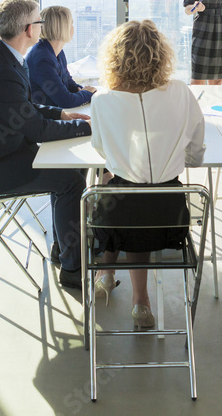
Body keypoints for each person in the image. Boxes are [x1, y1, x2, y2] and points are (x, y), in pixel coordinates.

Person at [0, 0, 92, 289]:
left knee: (73, 170)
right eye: (39, 22)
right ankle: (72, 270)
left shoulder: (6, 58)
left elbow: (26, 110)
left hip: (0, 152)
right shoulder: (3, 72)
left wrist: (62, 113)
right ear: (29, 30)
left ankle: (63, 249)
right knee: (71, 182)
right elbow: (38, 130)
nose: (42, 28)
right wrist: (84, 128)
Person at [88, 20, 205, 329]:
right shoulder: (180, 92)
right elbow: (195, 146)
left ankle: (106, 273)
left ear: (115, 57)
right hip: (170, 218)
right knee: (133, 201)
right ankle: (140, 301)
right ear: (160, 55)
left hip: (120, 218)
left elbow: (102, 150)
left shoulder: (101, 100)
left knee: (116, 193)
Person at [26, 5, 96, 109]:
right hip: (45, 118)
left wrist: (79, 90)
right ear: (63, 28)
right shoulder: (42, 59)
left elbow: (67, 80)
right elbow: (65, 101)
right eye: (71, 24)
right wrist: (87, 93)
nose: (73, 28)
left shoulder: (56, 51)